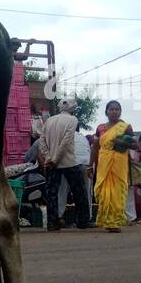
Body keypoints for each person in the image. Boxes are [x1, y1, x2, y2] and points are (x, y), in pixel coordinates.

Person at [41, 99, 89, 230]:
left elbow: (42, 140)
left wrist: (48, 157)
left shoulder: (49, 120)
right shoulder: (73, 120)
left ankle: (52, 222)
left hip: (51, 163)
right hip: (68, 161)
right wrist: (56, 159)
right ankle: (83, 221)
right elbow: (66, 141)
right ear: (72, 108)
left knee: (52, 193)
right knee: (79, 191)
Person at [90, 100, 136, 232]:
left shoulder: (126, 127)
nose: (114, 111)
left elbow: (135, 146)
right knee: (103, 194)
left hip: (119, 164)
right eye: (111, 109)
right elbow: (95, 147)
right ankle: (106, 220)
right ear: (106, 112)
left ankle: (115, 223)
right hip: (103, 163)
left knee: (117, 193)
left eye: (117, 109)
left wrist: (120, 142)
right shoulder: (100, 128)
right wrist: (90, 166)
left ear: (120, 112)